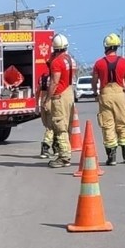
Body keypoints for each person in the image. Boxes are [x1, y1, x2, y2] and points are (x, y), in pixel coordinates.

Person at [92, 33, 125, 166]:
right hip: (120, 94)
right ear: (117, 46)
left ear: (106, 46)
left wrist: (95, 93)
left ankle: (112, 157)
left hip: (105, 94)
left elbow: (94, 81)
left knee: (107, 125)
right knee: (122, 124)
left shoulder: (99, 63)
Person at [39, 34, 77, 168]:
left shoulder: (57, 62)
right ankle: (65, 154)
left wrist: (47, 99)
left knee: (59, 126)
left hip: (59, 95)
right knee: (67, 125)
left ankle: (64, 157)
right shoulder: (70, 60)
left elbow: (54, 82)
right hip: (69, 93)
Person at [36, 69, 56, 158]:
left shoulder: (43, 77)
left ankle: (55, 148)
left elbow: (37, 91)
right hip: (51, 101)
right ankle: (46, 147)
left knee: (48, 125)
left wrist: (37, 105)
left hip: (43, 101)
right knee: (52, 126)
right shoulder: (54, 77)